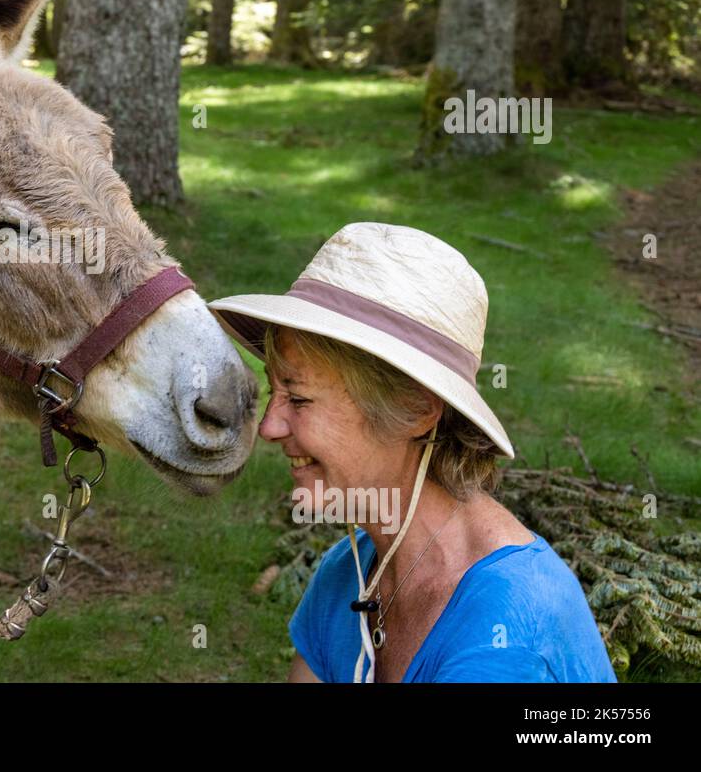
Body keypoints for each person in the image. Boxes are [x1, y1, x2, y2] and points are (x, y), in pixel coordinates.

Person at [209, 222, 617, 683]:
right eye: (273, 391)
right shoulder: (350, 573)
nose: (268, 426)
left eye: (299, 398)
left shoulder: (504, 634)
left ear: (417, 410)